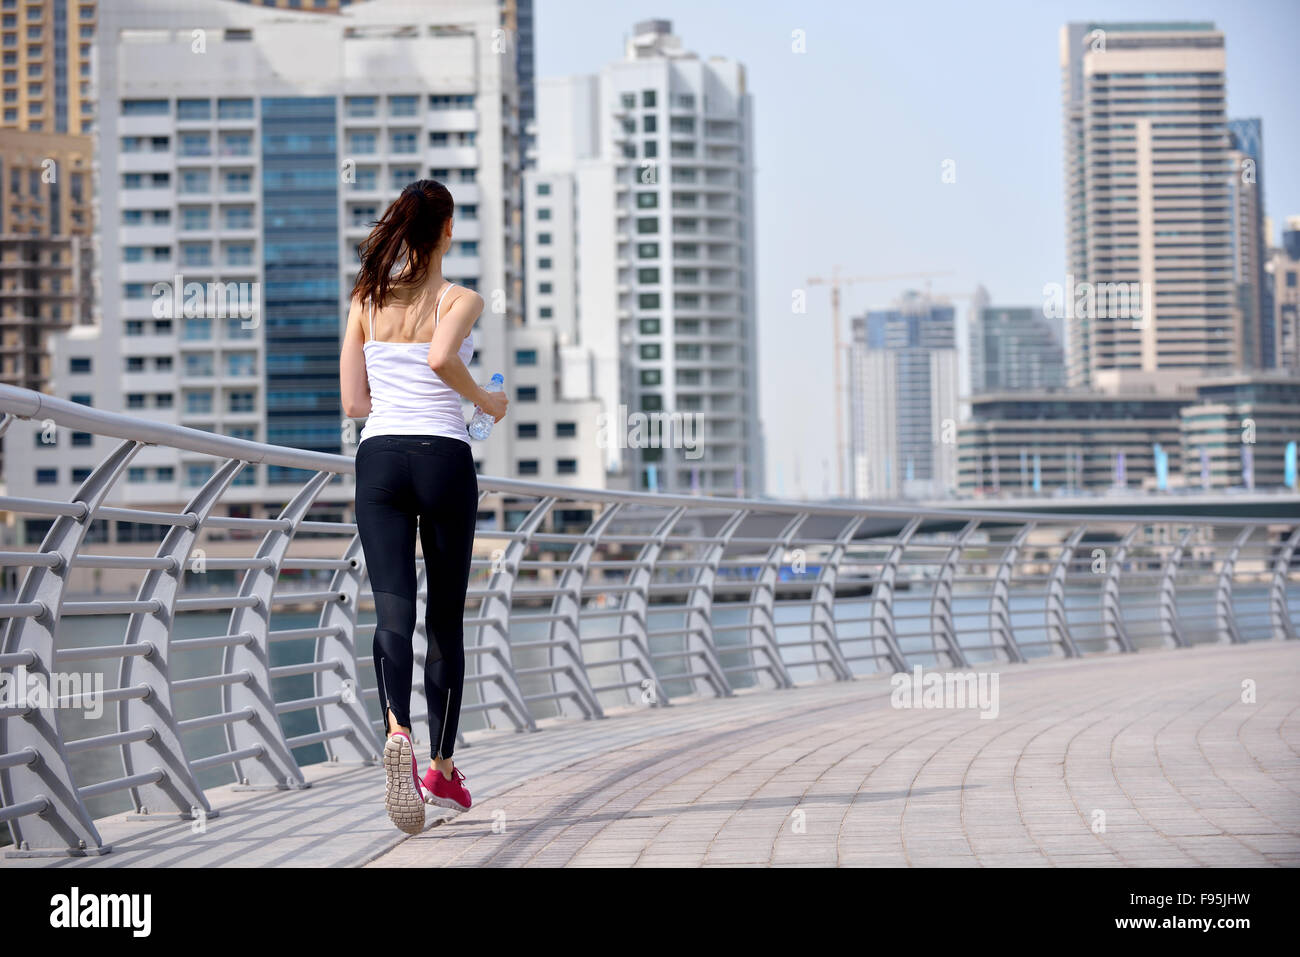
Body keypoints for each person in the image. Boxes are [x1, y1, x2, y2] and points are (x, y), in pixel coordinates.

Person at [339, 179, 508, 834]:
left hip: (379, 458)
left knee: (392, 608)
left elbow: (355, 403)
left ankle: (395, 730)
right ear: (446, 231)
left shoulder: (365, 298)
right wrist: (486, 404)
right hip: (442, 456)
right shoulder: (460, 298)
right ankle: (439, 764)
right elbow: (441, 356)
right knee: (444, 618)